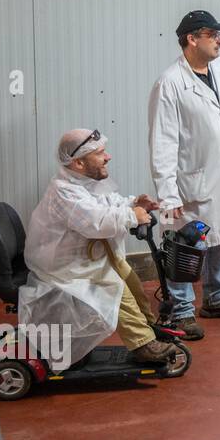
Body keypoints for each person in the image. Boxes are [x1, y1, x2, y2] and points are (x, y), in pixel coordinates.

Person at [148, 10, 220, 339]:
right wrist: (167, 194)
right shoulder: (169, 83)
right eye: (213, 34)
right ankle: (181, 310)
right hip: (190, 179)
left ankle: (218, 298)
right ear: (192, 39)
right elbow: (162, 142)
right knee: (186, 244)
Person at [20, 129, 172, 367]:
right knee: (115, 288)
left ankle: (149, 327)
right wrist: (132, 216)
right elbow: (96, 222)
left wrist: (134, 204)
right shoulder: (64, 191)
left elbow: (108, 203)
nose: (107, 157)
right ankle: (142, 343)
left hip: (86, 259)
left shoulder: (84, 182)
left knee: (129, 277)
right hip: (64, 266)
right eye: (100, 153)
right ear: (78, 162)